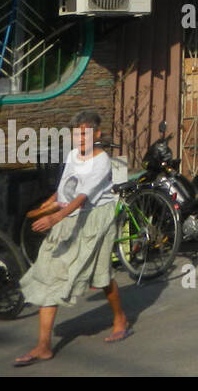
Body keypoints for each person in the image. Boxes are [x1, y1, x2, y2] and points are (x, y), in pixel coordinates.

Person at [13, 111, 129, 366]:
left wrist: (55, 218)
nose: (81, 137)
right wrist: (48, 205)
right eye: (77, 133)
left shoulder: (102, 161)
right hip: (71, 216)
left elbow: (82, 196)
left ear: (97, 134)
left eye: (86, 132)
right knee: (49, 271)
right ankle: (43, 345)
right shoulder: (71, 156)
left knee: (101, 275)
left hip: (97, 218)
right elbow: (66, 188)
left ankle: (119, 318)